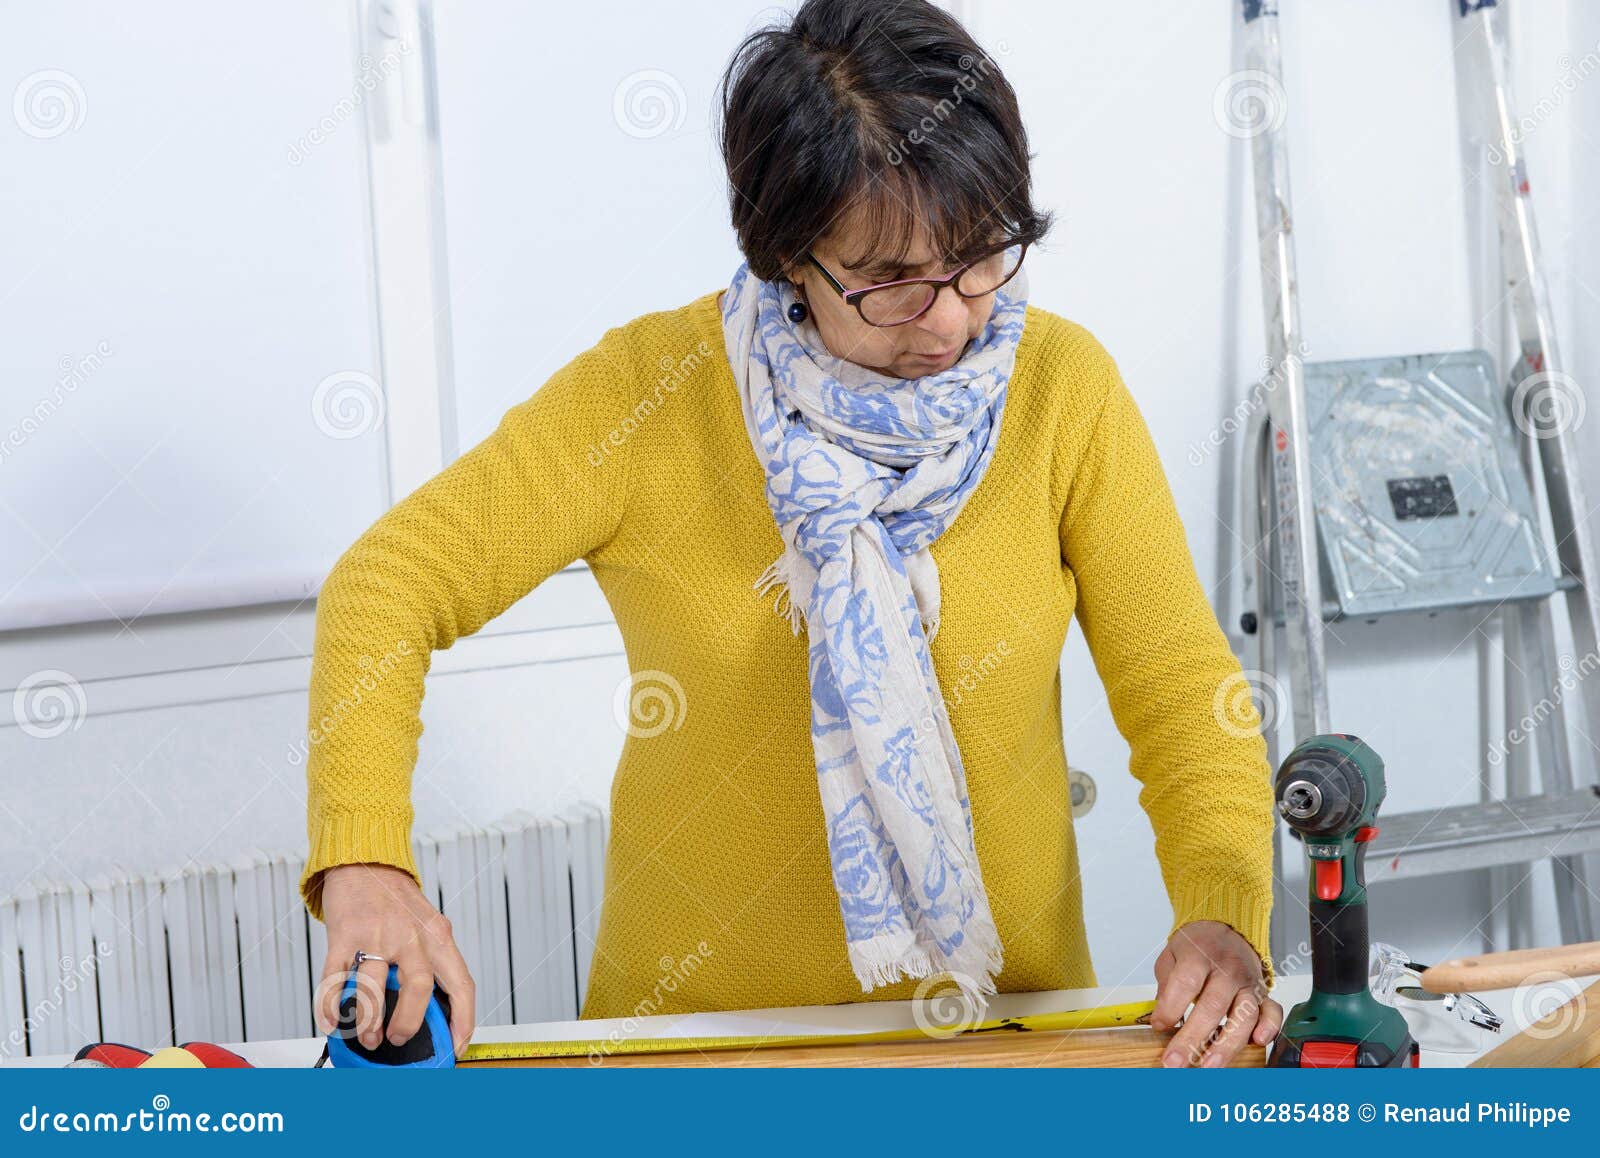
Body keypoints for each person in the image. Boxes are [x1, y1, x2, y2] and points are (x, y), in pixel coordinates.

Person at [299, 0, 1281, 1068]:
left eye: (979, 253)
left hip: (997, 1042)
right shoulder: (651, 394)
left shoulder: (1059, 388)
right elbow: (387, 584)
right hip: (692, 1055)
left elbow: (1182, 693)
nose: (952, 318)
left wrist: (1226, 913)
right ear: (786, 261)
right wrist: (367, 865)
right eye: (891, 281)